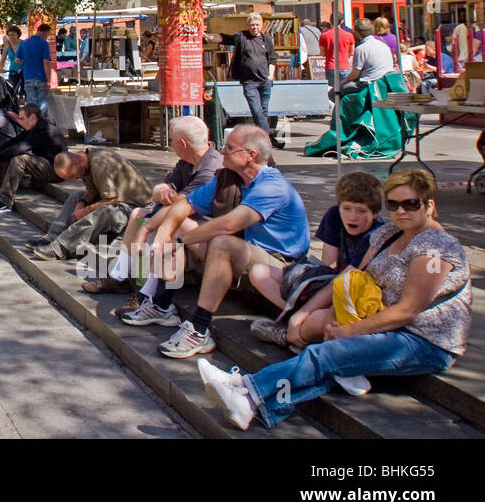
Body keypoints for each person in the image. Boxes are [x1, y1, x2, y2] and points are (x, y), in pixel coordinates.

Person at [199, 169, 472, 431]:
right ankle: (252, 404)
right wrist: (302, 313)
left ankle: (247, 387)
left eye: (410, 204)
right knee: (329, 362)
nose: (400, 211)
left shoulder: (436, 251)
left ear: (429, 205)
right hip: (381, 321)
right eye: (393, 204)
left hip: (423, 340)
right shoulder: (389, 234)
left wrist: (348, 331)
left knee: (328, 354)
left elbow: (408, 310)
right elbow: (351, 276)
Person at [133, 125, 310, 358]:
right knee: (180, 222)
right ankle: (161, 305)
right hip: (247, 255)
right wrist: (162, 233)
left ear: (251, 155)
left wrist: (181, 241)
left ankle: (199, 329)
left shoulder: (271, 187)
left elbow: (228, 225)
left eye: (229, 147)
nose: (221, 151)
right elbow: (184, 204)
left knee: (220, 242)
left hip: (280, 266)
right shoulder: (230, 178)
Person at [79, 115, 223, 295]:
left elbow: (181, 205)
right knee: (139, 213)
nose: (171, 144)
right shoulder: (187, 161)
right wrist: (162, 192)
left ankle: (148, 294)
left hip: (203, 229)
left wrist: (161, 203)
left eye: (171, 140)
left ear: (183, 143)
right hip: (181, 216)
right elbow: (159, 190)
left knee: (162, 223)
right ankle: (119, 277)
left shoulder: (211, 169)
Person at [248, 171, 384, 349]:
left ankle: (287, 335)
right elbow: (328, 268)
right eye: (347, 208)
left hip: (353, 296)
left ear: (374, 213)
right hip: (332, 283)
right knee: (258, 272)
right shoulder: (334, 215)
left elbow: (341, 281)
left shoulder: (375, 236)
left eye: (361, 211)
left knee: (315, 319)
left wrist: (302, 314)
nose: (352, 216)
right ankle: (295, 325)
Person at [32, 148, 152, 262]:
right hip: (117, 202)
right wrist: (81, 203)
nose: (74, 179)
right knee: (77, 196)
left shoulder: (99, 162)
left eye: (72, 176)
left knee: (104, 212)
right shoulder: (85, 165)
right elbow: (92, 189)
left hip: (135, 208)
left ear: (76, 162)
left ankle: (60, 249)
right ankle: (53, 236)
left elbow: (111, 200)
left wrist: (84, 211)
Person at [0, 104, 67, 214]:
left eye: (22, 118)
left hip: (56, 170)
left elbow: (20, 148)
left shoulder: (43, 129)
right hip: (43, 165)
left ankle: (5, 202)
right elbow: (13, 142)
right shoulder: (33, 126)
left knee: (19, 159)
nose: (20, 121)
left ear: (32, 117)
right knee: (9, 154)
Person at [208, 12, 280, 144]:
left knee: (263, 111)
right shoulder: (242, 37)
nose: (254, 27)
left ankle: (261, 139)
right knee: (257, 111)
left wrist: (270, 75)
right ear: (248, 25)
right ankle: (269, 138)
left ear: (262, 25)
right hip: (249, 82)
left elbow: (273, 58)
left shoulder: (266, 39)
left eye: (257, 24)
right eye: (252, 25)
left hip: (265, 81)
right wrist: (207, 36)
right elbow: (224, 38)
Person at [334, 17, 395, 98]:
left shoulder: (361, 49)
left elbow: (354, 75)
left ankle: (348, 110)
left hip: (368, 85)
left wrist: (342, 82)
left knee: (335, 91)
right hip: (386, 81)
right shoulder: (384, 45)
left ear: (358, 33)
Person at [17, 23, 54, 113]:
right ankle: (41, 124)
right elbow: (46, 62)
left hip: (28, 77)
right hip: (41, 78)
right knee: (42, 104)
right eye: (48, 35)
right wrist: (49, 80)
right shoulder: (44, 44)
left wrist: (26, 65)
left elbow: (17, 59)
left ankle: (32, 123)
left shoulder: (24, 43)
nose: (47, 37)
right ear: (45, 33)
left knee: (31, 104)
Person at [318, 21, 354, 87]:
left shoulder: (324, 35)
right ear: (342, 21)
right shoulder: (349, 35)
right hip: (344, 65)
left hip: (331, 65)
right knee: (345, 89)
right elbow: (351, 52)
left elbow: (322, 53)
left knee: (332, 90)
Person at [0, 25, 23, 97]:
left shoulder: (23, 44)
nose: (11, 37)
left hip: (24, 71)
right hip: (12, 71)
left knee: (25, 91)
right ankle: (12, 106)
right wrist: (1, 68)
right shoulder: (7, 46)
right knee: (12, 91)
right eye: (10, 35)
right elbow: (2, 60)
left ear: (18, 35)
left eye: (13, 35)